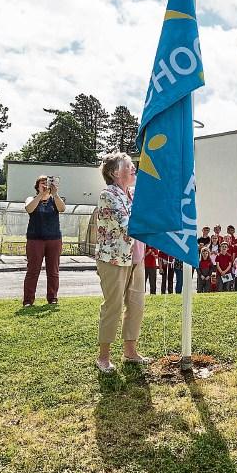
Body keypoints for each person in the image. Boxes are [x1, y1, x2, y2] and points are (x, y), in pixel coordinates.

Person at [95, 152, 148, 373]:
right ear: (115, 172)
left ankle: (130, 351)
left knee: (136, 305)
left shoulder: (132, 193)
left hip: (136, 258)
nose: (134, 168)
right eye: (128, 166)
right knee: (113, 307)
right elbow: (129, 224)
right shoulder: (108, 195)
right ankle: (103, 358)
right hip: (114, 260)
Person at [22, 175, 66, 307]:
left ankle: (52, 297)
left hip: (54, 239)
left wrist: (55, 193)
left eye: (47, 183)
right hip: (35, 239)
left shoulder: (55, 199)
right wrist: (41, 195)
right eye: (42, 183)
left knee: (53, 270)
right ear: (37, 186)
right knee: (33, 270)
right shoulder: (31, 199)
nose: (45, 185)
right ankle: (28, 300)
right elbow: (29, 209)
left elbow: (62, 209)